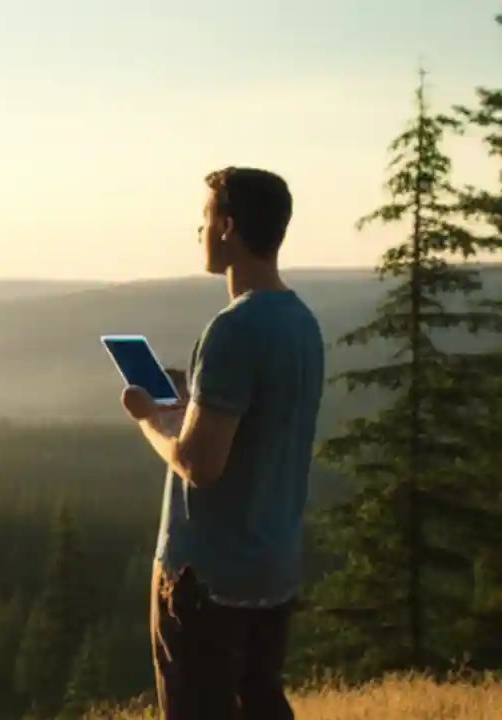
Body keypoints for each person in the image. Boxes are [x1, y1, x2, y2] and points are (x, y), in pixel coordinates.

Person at [120, 167, 324, 720]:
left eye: (207, 217)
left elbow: (199, 464)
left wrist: (149, 418)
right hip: (271, 569)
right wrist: (196, 397)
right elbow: (263, 423)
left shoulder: (232, 328)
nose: (201, 230)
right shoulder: (300, 322)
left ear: (229, 227)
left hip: (205, 578)